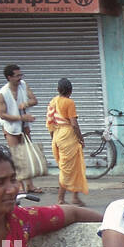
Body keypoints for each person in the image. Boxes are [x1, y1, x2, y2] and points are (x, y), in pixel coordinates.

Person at [0, 64, 43, 194]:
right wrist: (21, 118)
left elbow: (34, 100)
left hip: (24, 125)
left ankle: (30, 185)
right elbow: (2, 114)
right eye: (17, 75)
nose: (20, 78)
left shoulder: (23, 85)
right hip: (11, 127)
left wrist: (26, 103)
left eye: (20, 75)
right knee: (17, 157)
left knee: (26, 154)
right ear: (9, 77)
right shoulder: (3, 93)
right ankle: (20, 186)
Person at [45, 78, 87, 207]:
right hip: (68, 136)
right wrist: (80, 138)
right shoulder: (69, 102)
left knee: (74, 167)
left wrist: (54, 138)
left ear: (58, 90)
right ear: (71, 91)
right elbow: (74, 124)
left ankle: (75, 197)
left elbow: (50, 122)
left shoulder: (53, 101)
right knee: (67, 169)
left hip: (58, 135)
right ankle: (61, 199)